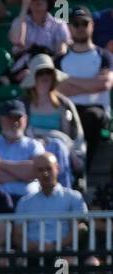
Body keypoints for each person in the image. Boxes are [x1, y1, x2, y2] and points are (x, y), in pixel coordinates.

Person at [58, 8, 113, 173]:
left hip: (96, 112)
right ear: (70, 27)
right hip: (67, 110)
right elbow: (58, 90)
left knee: (91, 116)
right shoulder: (60, 59)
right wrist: (91, 84)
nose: (80, 27)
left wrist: (69, 81)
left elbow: (105, 85)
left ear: (92, 26)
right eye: (76, 23)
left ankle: (82, 172)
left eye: (85, 23)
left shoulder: (104, 56)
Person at [21, 56, 85, 189]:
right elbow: (21, 134)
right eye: (40, 73)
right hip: (32, 150)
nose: (45, 77)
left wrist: (74, 153)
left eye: (48, 72)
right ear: (34, 78)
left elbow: (74, 137)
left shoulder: (64, 104)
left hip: (61, 151)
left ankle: (63, 190)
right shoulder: (24, 104)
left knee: (58, 146)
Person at [14, 150, 90, 258]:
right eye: (40, 170)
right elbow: (17, 235)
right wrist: (36, 247)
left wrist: (55, 246)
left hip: (64, 254)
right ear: (35, 173)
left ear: (57, 169)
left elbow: (81, 228)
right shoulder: (25, 202)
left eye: (49, 168)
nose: (45, 173)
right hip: (32, 255)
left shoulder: (74, 197)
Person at [0, 101, 47, 202]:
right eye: (10, 118)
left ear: (25, 120)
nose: (15, 122)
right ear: (1, 120)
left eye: (18, 118)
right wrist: (22, 175)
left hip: (28, 201)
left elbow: (35, 172)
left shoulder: (34, 146)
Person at [7, 0, 69, 82]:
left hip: (50, 65)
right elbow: (17, 41)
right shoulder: (19, 21)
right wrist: (24, 9)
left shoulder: (58, 24)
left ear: (48, 2)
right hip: (23, 66)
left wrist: (41, 67)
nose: (38, 1)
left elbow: (61, 52)